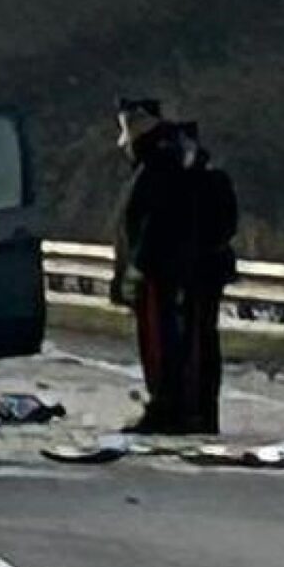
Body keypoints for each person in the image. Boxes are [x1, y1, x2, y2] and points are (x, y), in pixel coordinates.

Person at [112, 97, 199, 434]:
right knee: (164, 339)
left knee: (161, 340)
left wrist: (138, 265)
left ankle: (166, 407)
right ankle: (169, 404)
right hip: (163, 268)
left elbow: (153, 221)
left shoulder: (158, 166)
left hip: (158, 272)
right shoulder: (165, 161)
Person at [177, 122, 239, 435]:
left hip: (200, 271)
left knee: (197, 340)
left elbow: (224, 225)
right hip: (205, 269)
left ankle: (198, 410)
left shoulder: (200, 182)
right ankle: (200, 410)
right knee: (200, 340)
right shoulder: (211, 181)